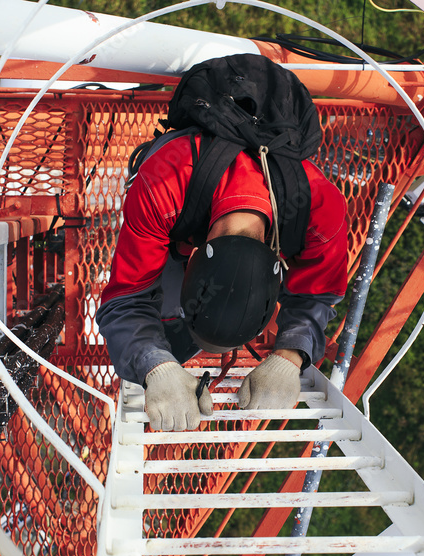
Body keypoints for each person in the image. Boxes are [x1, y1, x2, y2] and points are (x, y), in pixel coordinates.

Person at [97, 123, 347, 432]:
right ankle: (172, 337)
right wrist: (156, 364)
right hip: (180, 197)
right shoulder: (160, 187)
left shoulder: (322, 209)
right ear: (193, 255)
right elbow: (127, 296)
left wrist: (290, 355)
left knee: (166, 335)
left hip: (197, 208)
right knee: (165, 332)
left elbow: (317, 293)